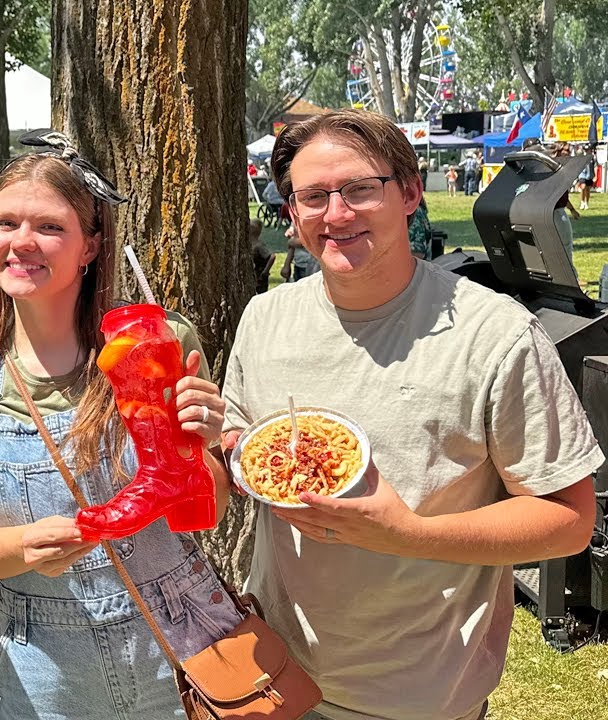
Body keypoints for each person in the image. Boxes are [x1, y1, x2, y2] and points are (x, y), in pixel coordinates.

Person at [222, 109, 600, 720]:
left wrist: (408, 535)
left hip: (421, 695)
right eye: (313, 196)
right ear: (292, 212)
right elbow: (240, 452)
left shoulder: (496, 335)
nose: (336, 214)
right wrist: (201, 444)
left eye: (359, 189)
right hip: (276, 677)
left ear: (409, 193)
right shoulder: (265, 319)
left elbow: (570, 519)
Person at [0, 134, 240, 718]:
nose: (21, 242)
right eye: (5, 223)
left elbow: (207, 509)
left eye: (49, 227)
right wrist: (22, 546)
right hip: (44, 672)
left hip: (183, 649)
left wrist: (199, 446)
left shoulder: (158, 344)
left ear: (91, 245)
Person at [249, 216, 275, 293]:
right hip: (254, 275)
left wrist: (265, 271)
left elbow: (272, 256)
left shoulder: (259, 245)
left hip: (260, 277)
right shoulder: (250, 243)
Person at [577, 145, 596, 211]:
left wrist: (595, 176)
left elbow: (595, 166)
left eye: (588, 150)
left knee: (587, 189)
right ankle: (582, 202)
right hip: (582, 174)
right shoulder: (582, 156)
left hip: (589, 175)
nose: (587, 151)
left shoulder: (592, 158)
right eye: (586, 150)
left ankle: (586, 203)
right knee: (583, 187)